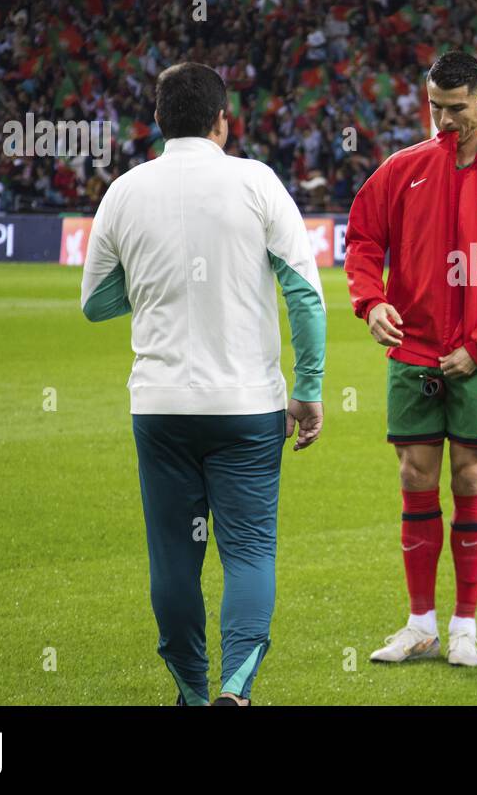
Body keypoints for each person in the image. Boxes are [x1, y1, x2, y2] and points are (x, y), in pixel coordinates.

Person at [80, 62, 325, 706]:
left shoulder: (124, 192)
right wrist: (310, 387)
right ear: (224, 121)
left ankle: (191, 691)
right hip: (248, 406)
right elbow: (304, 296)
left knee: (173, 560)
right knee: (248, 553)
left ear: (158, 122)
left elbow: (96, 305)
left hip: (160, 408)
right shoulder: (257, 182)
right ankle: (236, 688)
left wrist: (159, 281)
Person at [344, 51, 477, 667]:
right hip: (413, 349)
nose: (445, 119)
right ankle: (420, 623)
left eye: (457, 108)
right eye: (435, 106)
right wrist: (370, 300)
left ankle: (464, 625)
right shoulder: (403, 169)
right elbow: (362, 240)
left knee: (471, 478)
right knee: (413, 476)